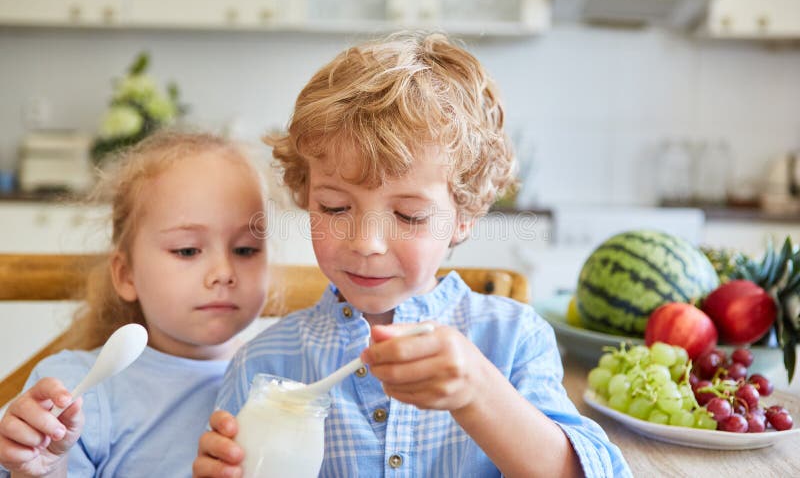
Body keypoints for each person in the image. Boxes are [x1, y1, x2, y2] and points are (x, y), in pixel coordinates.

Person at [194, 32, 631, 478]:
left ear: (463, 216)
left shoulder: (512, 339)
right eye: (335, 207)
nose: (366, 242)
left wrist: (477, 393)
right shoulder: (264, 365)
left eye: (408, 215)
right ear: (306, 196)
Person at [0, 131, 271, 477]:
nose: (223, 273)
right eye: (187, 250)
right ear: (127, 274)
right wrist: (45, 467)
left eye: (245, 249)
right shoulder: (75, 391)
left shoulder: (287, 377)